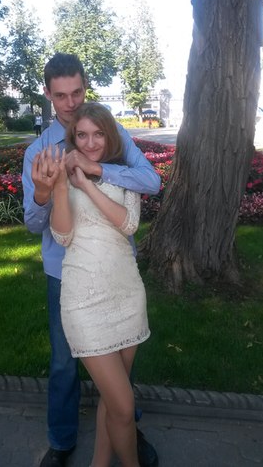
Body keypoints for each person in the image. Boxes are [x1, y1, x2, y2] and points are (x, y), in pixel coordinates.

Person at [22, 53, 161, 467]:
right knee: (64, 364)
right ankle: (62, 441)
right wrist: (45, 192)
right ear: (48, 95)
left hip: (117, 272)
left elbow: (150, 180)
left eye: (77, 92)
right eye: (60, 95)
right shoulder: (39, 151)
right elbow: (33, 223)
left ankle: (126, 428)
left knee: (119, 371)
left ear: (85, 87)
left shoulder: (108, 133)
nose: (70, 103)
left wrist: (96, 168)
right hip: (65, 272)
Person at [40, 102, 150, 466]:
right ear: (73, 137)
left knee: (112, 401)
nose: (90, 143)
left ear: (110, 135)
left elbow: (128, 224)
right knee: (124, 405)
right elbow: (63, 235)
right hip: (83, 301)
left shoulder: (123, 173)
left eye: (98, 134)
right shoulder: (62, 173)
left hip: (126, 294)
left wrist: (87, 184)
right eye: (82, 135)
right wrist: (61, 187)